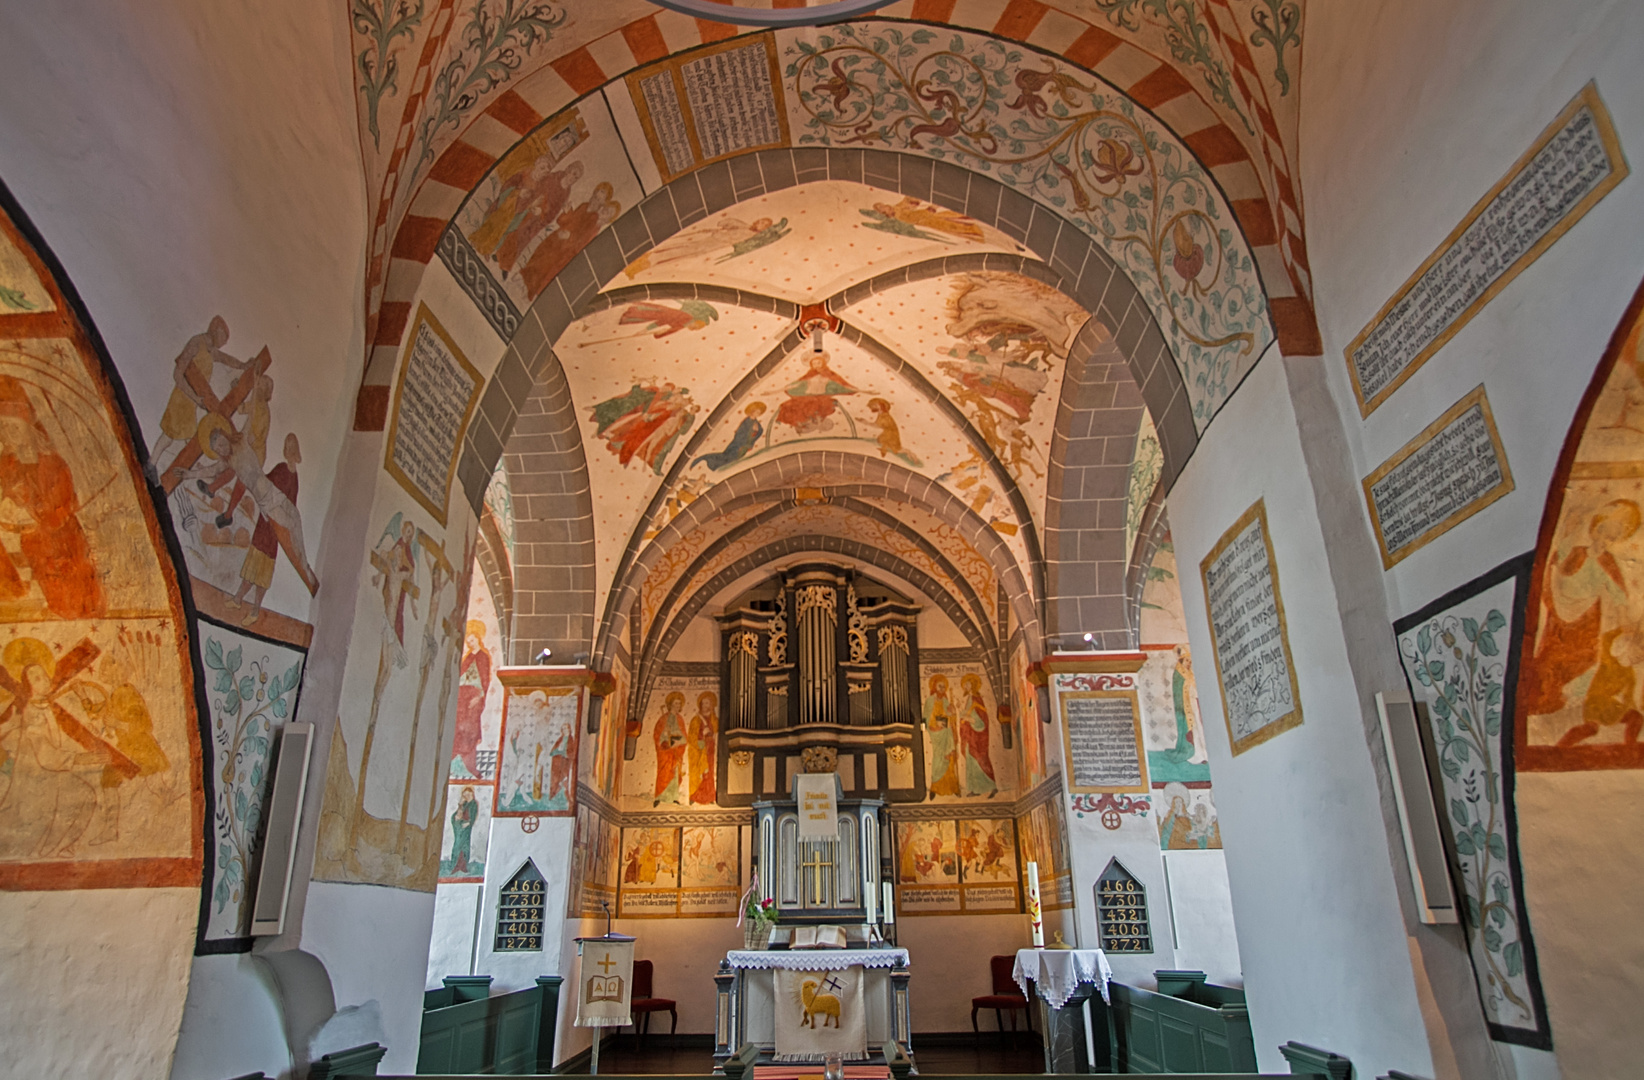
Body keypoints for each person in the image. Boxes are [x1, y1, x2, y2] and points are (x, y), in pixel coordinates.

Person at [0, 376, 104, 619]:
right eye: (2, 430)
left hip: (57, 540)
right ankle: (12, 589)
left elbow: (59, 512)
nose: (8, 436)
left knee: (69, 597)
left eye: (13, 427)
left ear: (28, 428)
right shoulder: (5, 464)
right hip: (23, 535)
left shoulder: (51, 465)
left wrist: (28, 503)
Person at [958, 673, 997, 796]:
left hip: (977, 736)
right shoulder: (969, 699)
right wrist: (962, 713)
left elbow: (981, 720)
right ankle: (975, 789)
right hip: (970, 736)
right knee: (971, 762)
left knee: (980, 759)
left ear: (973, 685)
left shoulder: (976, 699)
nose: (965, 686)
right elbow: (968, 714)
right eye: (965, 684)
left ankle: (991, 786)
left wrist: (969, 720)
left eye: (968, 684)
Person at [923, 674, 960, 797]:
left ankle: (953, 786)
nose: (942, 689)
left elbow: (950, 718)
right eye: (940, 687)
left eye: (944, 687)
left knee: (950, 759)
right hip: (935, 733)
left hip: (946, 732)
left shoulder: (945, 701)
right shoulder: (929, 701)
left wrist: (953, 713)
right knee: (938, 759)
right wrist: (935, 726)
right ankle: (935, 787)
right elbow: (926, 718)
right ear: (934, 687)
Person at [652, 692, 688, 806]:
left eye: (679, 704)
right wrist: (664, 737)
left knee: (675, 772)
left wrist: (678, 741)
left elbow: (684, 737)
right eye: (675, 703)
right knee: (663, 771)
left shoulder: (680, 719)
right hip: (665, 750)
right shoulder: (663, 718)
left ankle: (673, 797)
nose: (677, 706)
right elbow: (657, 735)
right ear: (670, 704)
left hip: (676, 750)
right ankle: (660, 796)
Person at [687, 691, 717, 804]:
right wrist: (702, 736)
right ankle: (694, 796)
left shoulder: (714, 720)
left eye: (708, 703)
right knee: (698, 772)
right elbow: (691, 737)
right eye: (704, 703)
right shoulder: (696, 720)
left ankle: (709, 797)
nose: (706, 706)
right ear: (700, 705)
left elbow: (718, 732)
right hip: (699, 750)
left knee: (709, 773)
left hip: (710, 750)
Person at [448, 787, 479, 875]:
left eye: (468, 794)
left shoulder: (473, 804)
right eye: (465, 795)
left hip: (466, 828)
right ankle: (455, 865)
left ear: (472, 794)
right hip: (460, 827)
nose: (466, 796)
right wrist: (460, 806)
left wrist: (468, 823)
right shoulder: (464, 804)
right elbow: (458, 814)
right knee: (457, 845)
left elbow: (473, 816)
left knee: (464, 846)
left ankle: (463, 866)